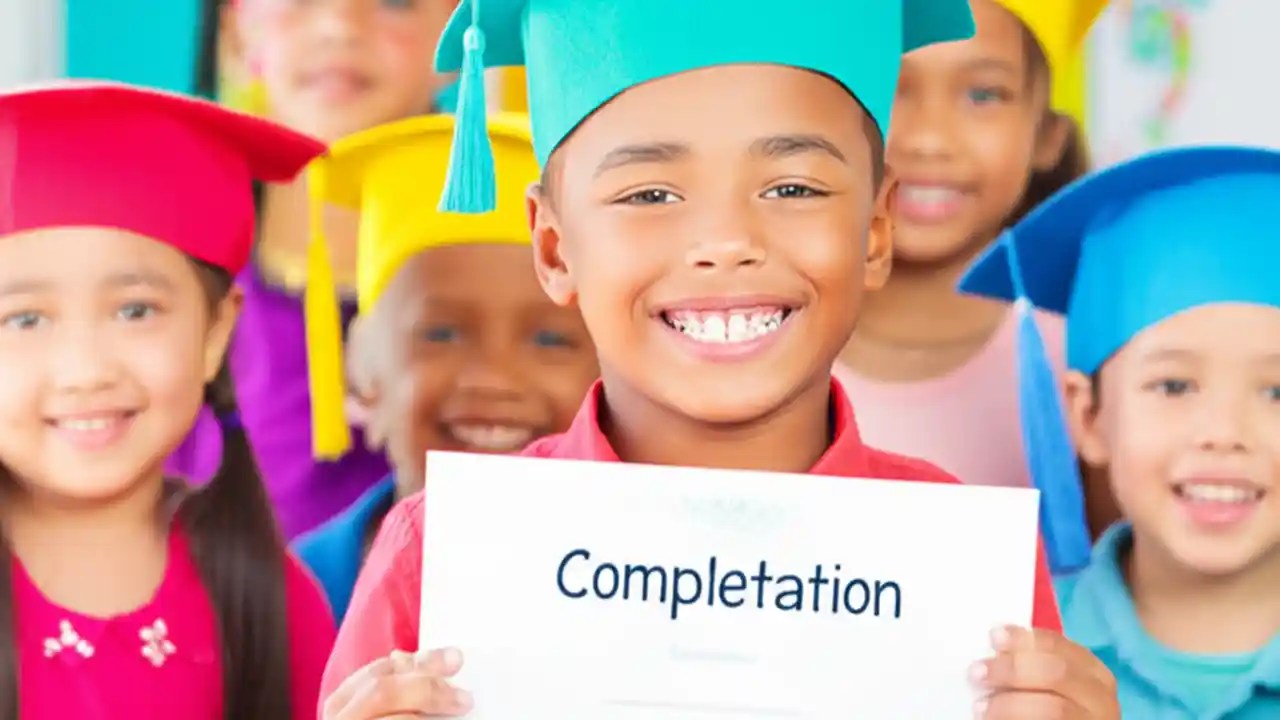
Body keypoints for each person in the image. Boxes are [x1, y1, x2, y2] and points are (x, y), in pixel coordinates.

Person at [319, 1, 1122, 718]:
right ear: (556, 249)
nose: (726, 242)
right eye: (650, 195)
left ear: (876, 232)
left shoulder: (959, 574)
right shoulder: (444, 557)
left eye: (793, 188)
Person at [0, 82, 336, 718]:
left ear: (216, 333)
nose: (85, 371)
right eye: (24, 320)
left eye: (135, 311)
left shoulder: (272, 602)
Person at [959, 144, 1280, 718]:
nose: (1223, 433)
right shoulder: (1006, 659)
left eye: (1277, 392)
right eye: (1174, 386)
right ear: (1088, 417)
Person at [835, 0, 1116, 569]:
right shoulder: (757, 341)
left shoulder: (1088, 367)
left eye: (983, 95)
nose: (928, 139)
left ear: (1047, 135)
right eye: (887, 85)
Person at [292, 113, 598, 621]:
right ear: (361, 370)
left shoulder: (653, 594)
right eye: (441, 334)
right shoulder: (289, 600)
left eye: (551, 339)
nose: (494, 377)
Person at [174, 0, 461, 539]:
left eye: (394, 2)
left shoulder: (522, 255)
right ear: (234, 31)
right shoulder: (173, 270)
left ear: (457, 31)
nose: (339, 25)